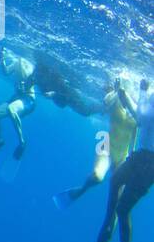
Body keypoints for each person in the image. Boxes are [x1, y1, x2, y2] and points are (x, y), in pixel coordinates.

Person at [94, 79, 154, 242]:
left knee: (123, 207)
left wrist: (125, 93)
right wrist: (130, 92)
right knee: (116, 183)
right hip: (140, 156)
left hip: (148, 162)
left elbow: (141, 116)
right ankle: (110, 237)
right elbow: (139, 113)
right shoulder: (148, 89)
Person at [54, 78, 137, 209]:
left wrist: (132, 157)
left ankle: (109, 226)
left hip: (123, 154)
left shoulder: (138, 110)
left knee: (117, 201)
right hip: (106, 145)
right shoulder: (115, 98)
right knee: (97, 177)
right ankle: (81, 190)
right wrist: (116, 91)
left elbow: (135, 137)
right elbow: (105, 104)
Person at [0, 46, 37, 175]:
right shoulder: (17, 62)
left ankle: (22, 142)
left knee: (11, 109)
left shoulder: (30, 64)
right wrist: (2, 58)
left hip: (28, 101)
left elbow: (32, 78)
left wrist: (28, 80)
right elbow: (6, 72)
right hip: (16, 98)